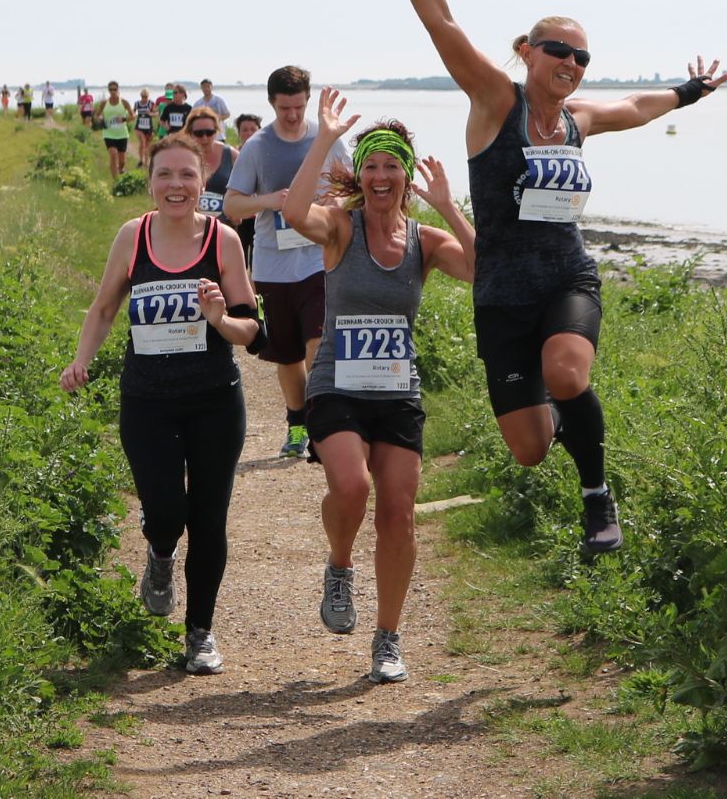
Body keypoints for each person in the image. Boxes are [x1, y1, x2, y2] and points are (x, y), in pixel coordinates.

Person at [356, 0, 727, 554]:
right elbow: (444, 27)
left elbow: (638, 108)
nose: (572, 64)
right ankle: (565, 419)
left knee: (567, 374)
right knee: (528, 449)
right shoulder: (495, 102)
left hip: (565, 278)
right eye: (559, 50)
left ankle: (597, 498)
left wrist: (690, 91)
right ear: (528, 52)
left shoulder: (579, 119)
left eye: (582, 58)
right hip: (502, 294)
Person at [284, 89, 476, 684]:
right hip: (337, 385)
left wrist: (448, 208)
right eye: (370, 164)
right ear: (359, 175)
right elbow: (294, 213)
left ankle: (387, 638)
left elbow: (483, 271)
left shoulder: (424, 242)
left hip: (396, 393)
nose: (380, 175)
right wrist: (323, 138)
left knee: (399, 515)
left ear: (406, 174)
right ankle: (340, 564)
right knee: (351, 486)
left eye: (392, 164)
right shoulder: (341, 228)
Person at [60, 132, 260, 676]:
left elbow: (251, 329)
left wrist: (219, 319)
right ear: (149, 181)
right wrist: (80, 360)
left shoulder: (222, 241)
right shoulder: (134, 236)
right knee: (166, 512)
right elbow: (104, 308)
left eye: (187, 175)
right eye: (164, 174)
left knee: (209, 518)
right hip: (147, 401)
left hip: (214, 401)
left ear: (203, 181)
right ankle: (160, 551)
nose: (176, 185)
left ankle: (200, 633)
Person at [225, 66, 350, 458]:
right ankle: (296, 426)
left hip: (319, 259)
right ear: (271, 104)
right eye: (284, 109)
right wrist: (269, 201)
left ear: (308, 101)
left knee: (318, 345)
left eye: (299, 107)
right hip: (273, 267)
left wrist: (337, 201)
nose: (293, 115)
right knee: (288, 354)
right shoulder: (258, 147)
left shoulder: (325, 138)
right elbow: (232, 205)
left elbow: (353, 187)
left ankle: (320, 427)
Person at [187, 106, 237, 222]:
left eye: (209, 133)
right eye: (199, 134)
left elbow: (250, 187)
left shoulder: (231, 155)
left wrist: (239, 209)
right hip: (191, 225)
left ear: (216, 132)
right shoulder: (182, 157)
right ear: (190, 133)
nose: (204, 138)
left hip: (225, 225)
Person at [232, 113, 264, 265]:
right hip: (240, 215)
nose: (249, 133)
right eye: (244, 130)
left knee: (257, 259)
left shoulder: (267, 155)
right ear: (239, 133)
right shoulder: (233, 155)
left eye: (253, 129)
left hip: (260, 215)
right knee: (240, 258)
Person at [98, 80, 134, 179]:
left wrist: (124, 119)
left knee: (122, 161)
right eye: (111, 90)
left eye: (115, 89)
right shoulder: (104, 103)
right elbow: (97, 115)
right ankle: (115, 181)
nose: (113, 91)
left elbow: (133, 116)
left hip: (122, 134)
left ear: (118, 89)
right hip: (108, 134)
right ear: (108, 90)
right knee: (113, 154)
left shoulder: (124, 102)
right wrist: (101, 120)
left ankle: (121, 169)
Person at [134, 88, 156, 166]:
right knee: (142, 142)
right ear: (141, 96)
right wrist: (135, 115)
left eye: (145, 97)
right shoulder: (137, 103)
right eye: (143, 96)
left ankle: (146, 163)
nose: (144, 98)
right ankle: (141, 160)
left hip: (149, 127)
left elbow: (156, 113)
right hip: (139, 127)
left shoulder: (151, 103)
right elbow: (132, 113)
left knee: (147, 145)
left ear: (148, 96)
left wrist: (150, 114)